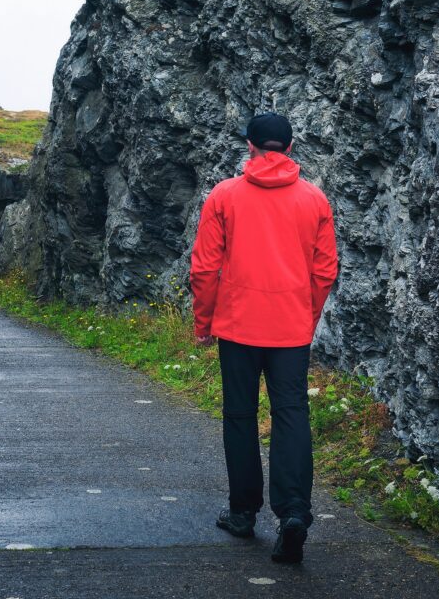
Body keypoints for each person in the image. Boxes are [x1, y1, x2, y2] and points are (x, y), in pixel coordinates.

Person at [189, 112, 338, 564]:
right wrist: (304, 318)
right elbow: (325, 270)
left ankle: (242, 513)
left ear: (249, 146)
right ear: (290, 148)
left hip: (237, 325)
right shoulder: (315, 200)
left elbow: (204, 268)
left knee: (239, 415)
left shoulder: (224, 196)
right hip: (290, 328)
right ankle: (294, 513)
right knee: (291, 414)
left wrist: (203, 322)